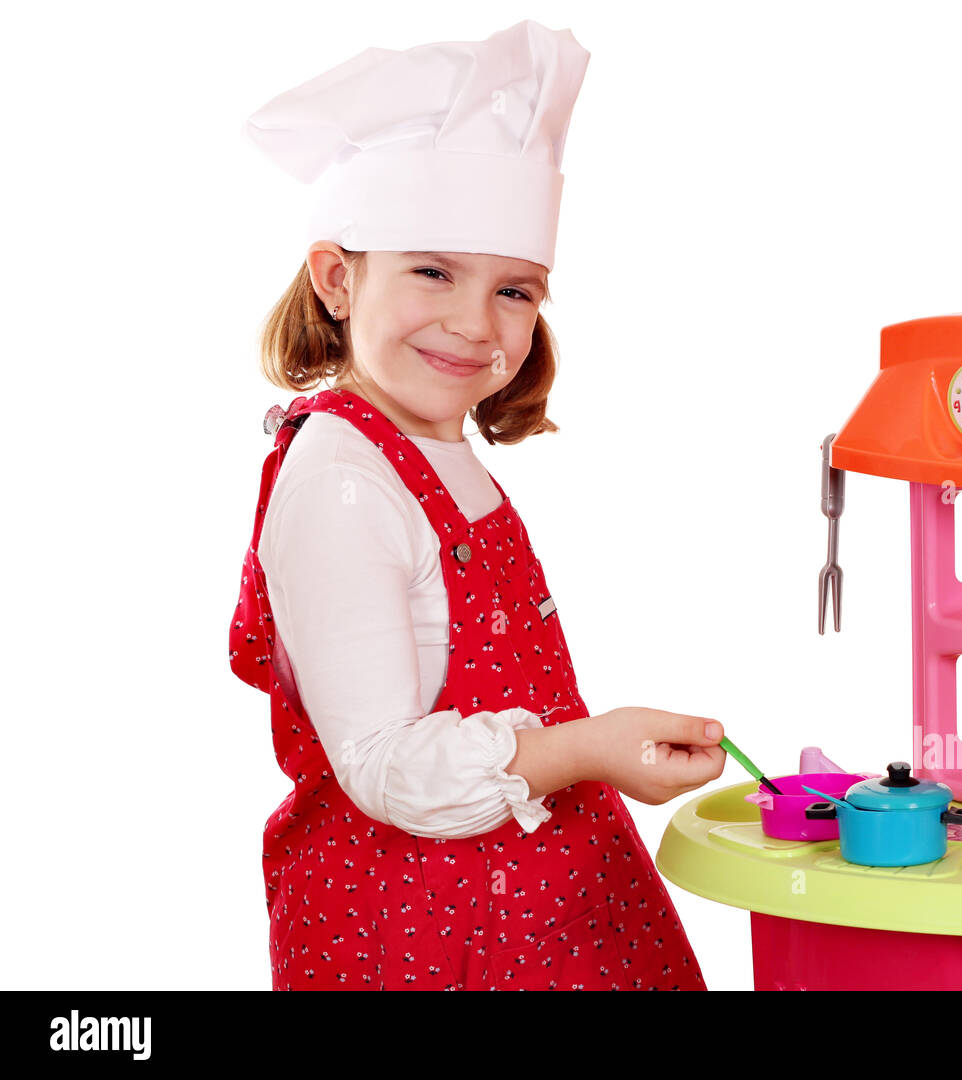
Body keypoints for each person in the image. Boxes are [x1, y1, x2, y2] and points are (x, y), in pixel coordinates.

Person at [228, 20, 724, 990]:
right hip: (422, 932)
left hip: (527, 911)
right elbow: (385, 766)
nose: (473, 323)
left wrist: (596, 750)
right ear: (338, 276)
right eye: (432, 271)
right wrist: (590, 747)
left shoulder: (433, 448)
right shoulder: (341, 476)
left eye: (515, 291)